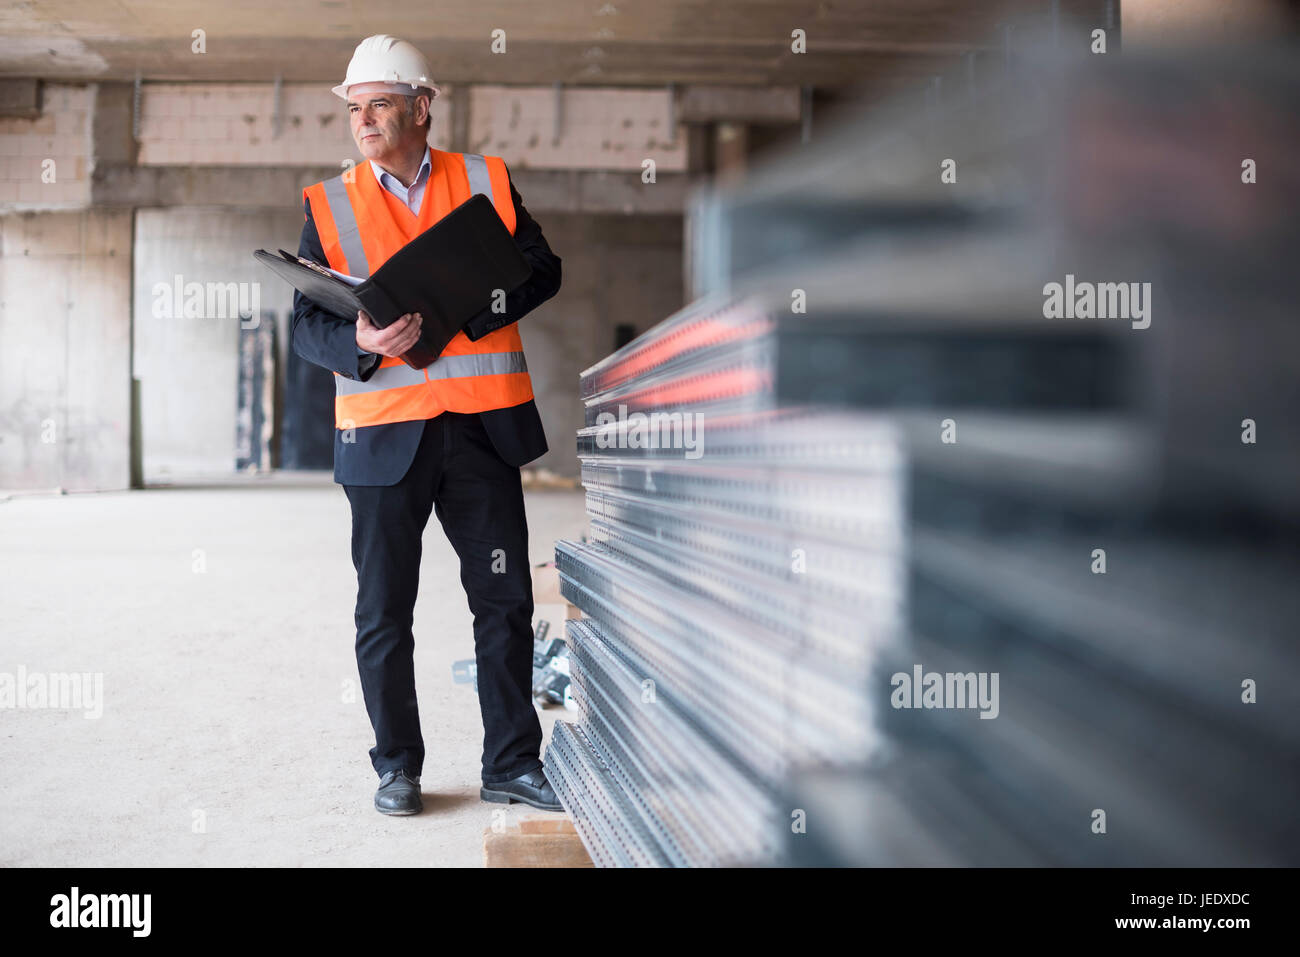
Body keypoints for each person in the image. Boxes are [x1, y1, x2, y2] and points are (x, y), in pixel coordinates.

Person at [291, 34, 564, 816]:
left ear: (421, 106)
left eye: (378, 103)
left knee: (505, 601)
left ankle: (512, 763)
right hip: (383, 439)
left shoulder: (485, 179)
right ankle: (396, 768)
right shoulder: (328, 202)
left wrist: (475, 309)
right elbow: (306, 325)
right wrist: (363, 344)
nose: (363, 120)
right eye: (353, 107)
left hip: (482, 429)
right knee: (384, 610)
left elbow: (541, 269)